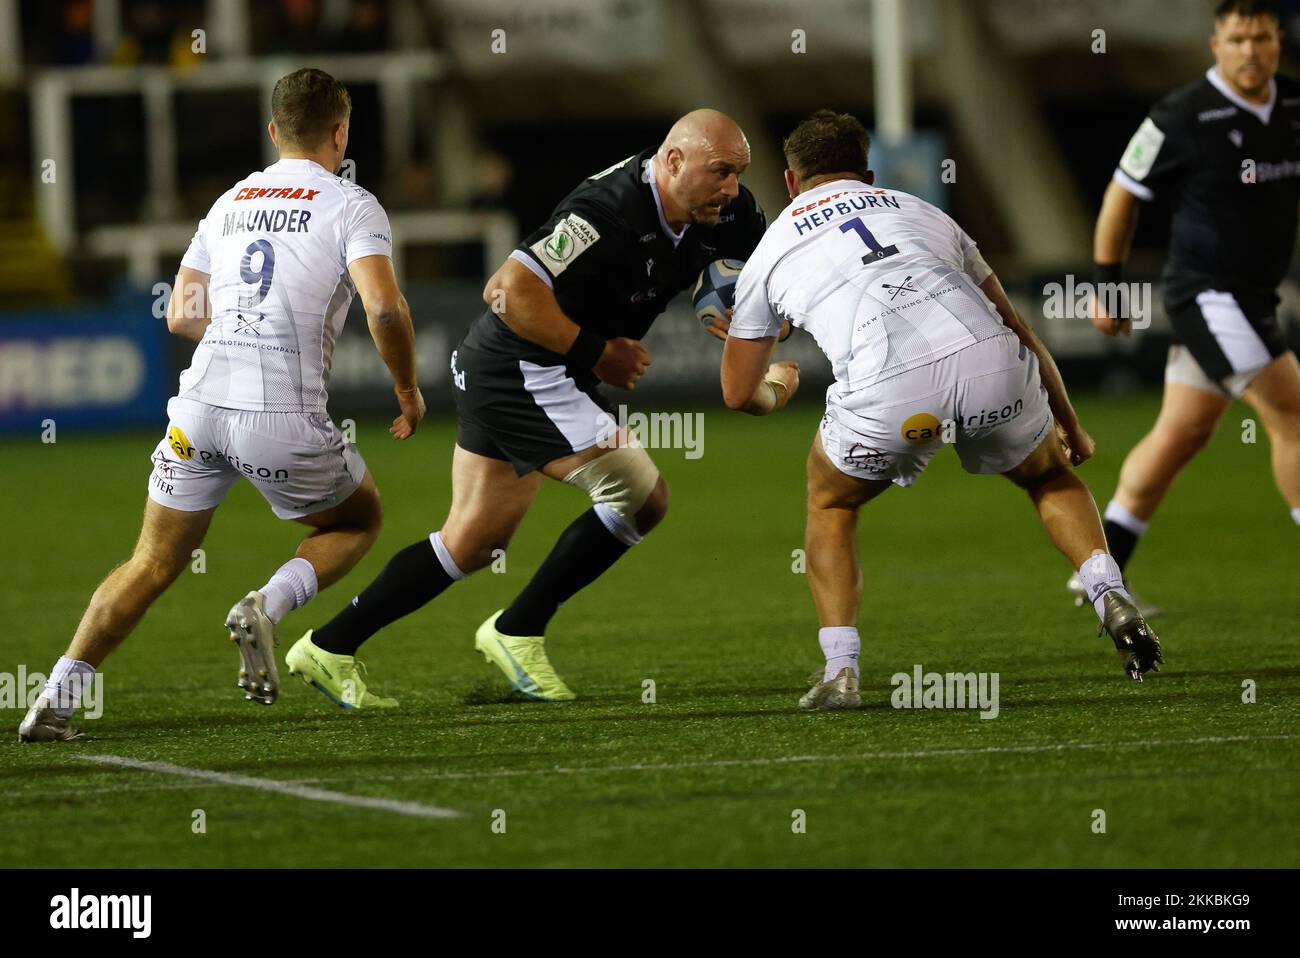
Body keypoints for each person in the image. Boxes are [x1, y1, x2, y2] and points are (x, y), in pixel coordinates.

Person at [293, 109, 773, 702]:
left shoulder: (726, 210)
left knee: (470, 543)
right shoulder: (608, 210)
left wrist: (757, 321)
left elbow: (773, 266)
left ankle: (328, 646)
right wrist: (597, 353)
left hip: (525, 369)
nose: (732, 188)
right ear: (673, 162)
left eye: (739, 173)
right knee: (642, 496)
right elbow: (504, 290)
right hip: (520, 369)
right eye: (721, 172)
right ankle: (518, 628)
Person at [19, 68, 424, 741]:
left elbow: (182, 313)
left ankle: (53, 702)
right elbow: (385, 306)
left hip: (199, 408)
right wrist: (407, 391)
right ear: (340, 133)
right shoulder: (352, 204)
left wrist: (242, 328)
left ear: (273, 131)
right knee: (357, 520)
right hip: (279, 417)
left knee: (149, 561)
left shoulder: (230, 201)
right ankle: (267, 602)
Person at [720, 110, 1163, 711]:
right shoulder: (922, 211)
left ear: (791, 182)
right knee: (1049, 477)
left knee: (830, 501)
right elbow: (1017, 325)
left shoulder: (769, 250)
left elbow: (738, 396)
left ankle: (841, 671)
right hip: (992, 367)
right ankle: (1110, 591)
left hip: (891, 392)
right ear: (869, 173)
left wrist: (779, 382)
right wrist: (1070, 420)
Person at [1073, 0, 1300, 611]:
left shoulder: (1294, 107)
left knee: (1180, 434)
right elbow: (1123, 193)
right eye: (1238, 38)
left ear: (1278, 41)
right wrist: (1108, 283)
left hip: (1254, 299)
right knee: (1293, 413)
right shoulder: (1181, 114)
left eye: (1261, 37)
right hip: (1208, 298)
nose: (1251, 50)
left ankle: (1100, 573)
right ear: (1215, 45)